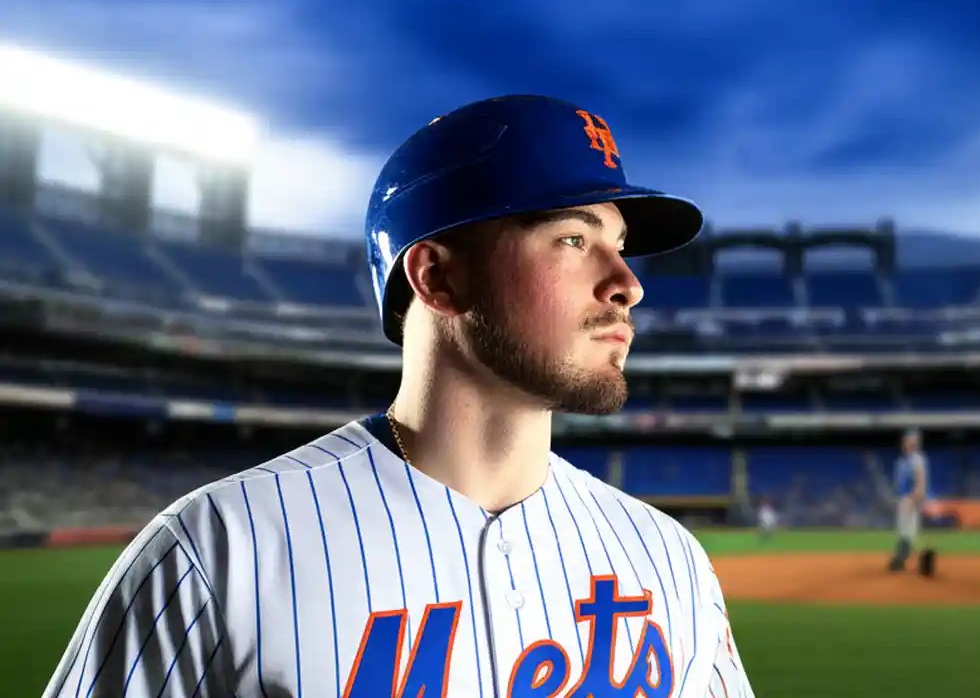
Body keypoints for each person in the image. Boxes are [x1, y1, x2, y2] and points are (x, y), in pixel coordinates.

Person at [42, 95, 755, 697]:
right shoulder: (221, 548)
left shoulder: (668, 559)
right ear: (437, 279)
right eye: (573, 239)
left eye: (621, 242)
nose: (627, 282)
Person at [889, 428, 930, 573]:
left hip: (910, 498)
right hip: (902, 498)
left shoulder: (917, 459)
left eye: (909, 441)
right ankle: (902, 559)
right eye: (905, 441)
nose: (905, 443)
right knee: (903, 531)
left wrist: (915, 499)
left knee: (909, 531)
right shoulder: (902, 461)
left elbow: (920, 481)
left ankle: (901, 560)